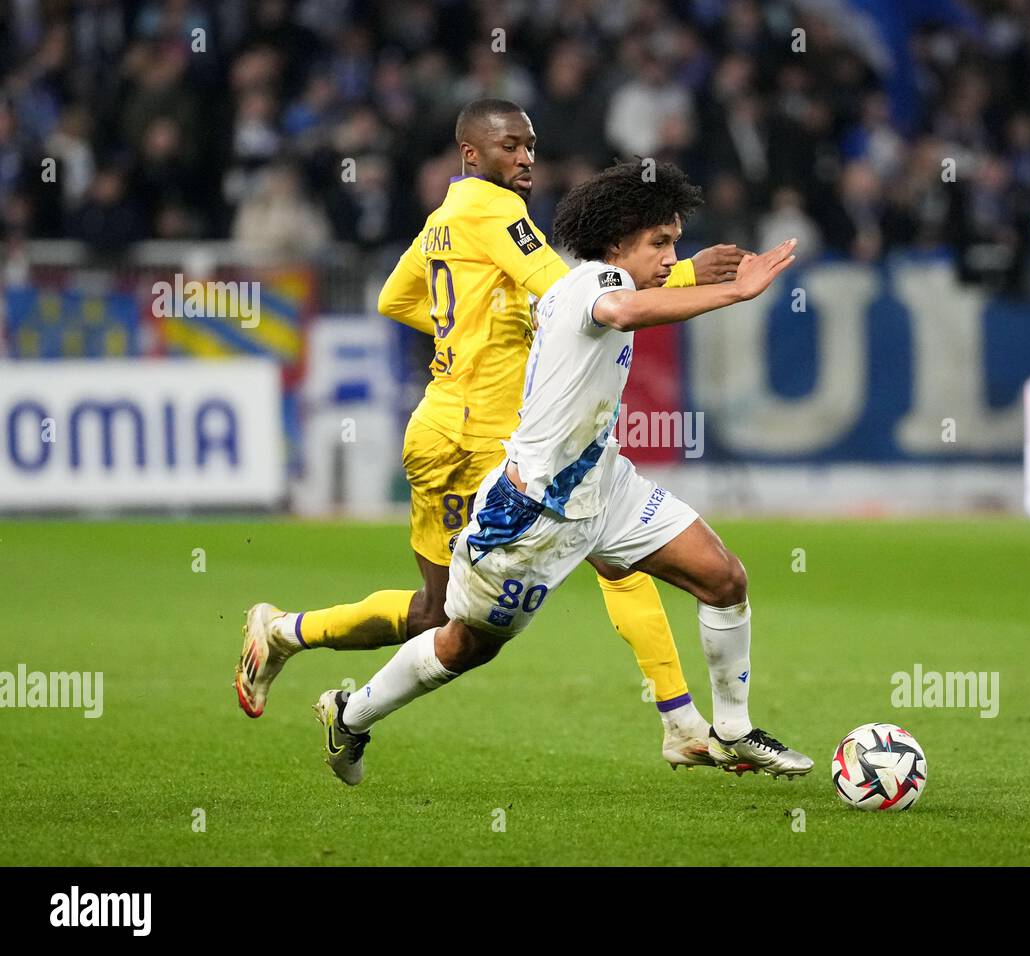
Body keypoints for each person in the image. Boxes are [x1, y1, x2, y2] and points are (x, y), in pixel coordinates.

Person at [235, 99, 748, 769]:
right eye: (511, 146)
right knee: (610, 562)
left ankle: (282, 632)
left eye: (530, 145)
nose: (526, 157)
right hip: (490, 438)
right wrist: (682, 274)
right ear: (471, 154)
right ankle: (682, 725)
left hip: (438, 426)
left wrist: (470, 332)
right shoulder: (498, 212)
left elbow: (395, 299)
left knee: (435, 612)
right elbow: (569, 293)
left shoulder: (443, 219)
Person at [312, 160, 813, 784]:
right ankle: (350, 715)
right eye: (660, 242)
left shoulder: (599, 282)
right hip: (533, 513)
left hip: (603, 485)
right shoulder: (590, 283)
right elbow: (624, 312)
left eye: (674, 242)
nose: (670, 255)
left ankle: (733, 730)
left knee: (723, 577)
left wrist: (689, 278)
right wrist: (735, 292)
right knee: (463, 644)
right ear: (615, 245)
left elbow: (637, 304)